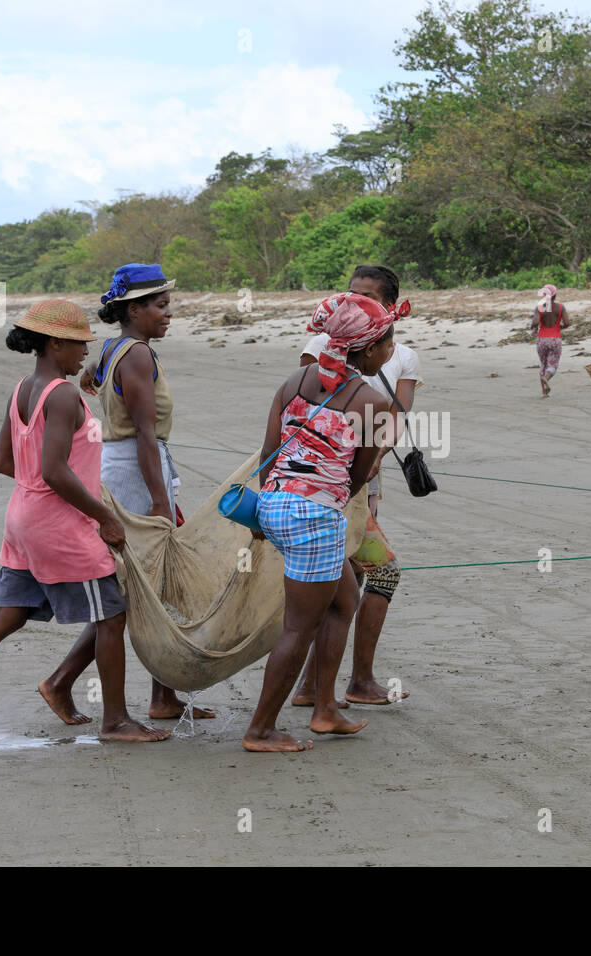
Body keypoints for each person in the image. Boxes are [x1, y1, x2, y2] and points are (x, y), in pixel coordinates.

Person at [0, 299, 168, 746]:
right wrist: (103, 515)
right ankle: (115, 721)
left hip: (23, 515)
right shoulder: (64, 394)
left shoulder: (21, 389)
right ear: (54, 343)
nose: (84, 352)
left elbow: (7, 463)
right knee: (111, 615)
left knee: (7, 615)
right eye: (77, 344)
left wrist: (42, 488)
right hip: (59, 524)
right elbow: (54, 470)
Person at [49, 263, 214, 723]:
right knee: (134, 589)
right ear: (134, 309)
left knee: (153, 587)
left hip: (125, 466)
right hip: (138, 473)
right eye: (161, 306)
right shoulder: (138, 355)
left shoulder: (111, 350)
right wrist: (161, 502)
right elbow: (144, 433)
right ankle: (61, 681)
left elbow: (90, 386)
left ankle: (163, 696)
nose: (169, 314)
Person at [242, 291, 405, 753]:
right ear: (370, 349)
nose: (390, 352)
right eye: (388, 344)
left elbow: (268, 452)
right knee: (298, 627)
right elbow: (358, 474)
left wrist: (267, 511)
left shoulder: (295, 380)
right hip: (315, 517)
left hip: (274, 505)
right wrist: (324, 501)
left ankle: (326, 708)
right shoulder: (372, 402)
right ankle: (260, 729)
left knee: (342, 601)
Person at [293, 265, 418, 707]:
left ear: (389, 306)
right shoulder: (320, 347)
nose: (353, 302)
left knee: (346, 579)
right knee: (359, 576)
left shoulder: (400, 356)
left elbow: (394, 420)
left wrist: (371, 460)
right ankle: (332, 686)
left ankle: (325, 685)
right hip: (333, 488)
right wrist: (353, 469)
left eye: (366, 295)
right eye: (350, 294)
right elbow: (308, 409)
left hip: (349, 483)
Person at [530, 284, 570, 398]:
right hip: (555, 340)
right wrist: (559, 327)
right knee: (552, 365)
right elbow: (567, 323)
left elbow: (535, 322)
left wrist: (532, 327)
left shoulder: (540, 307)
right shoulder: (561, 307)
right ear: (555, 295)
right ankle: (546, 378)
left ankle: (544, 392)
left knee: (543, 365)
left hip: (542, 340)